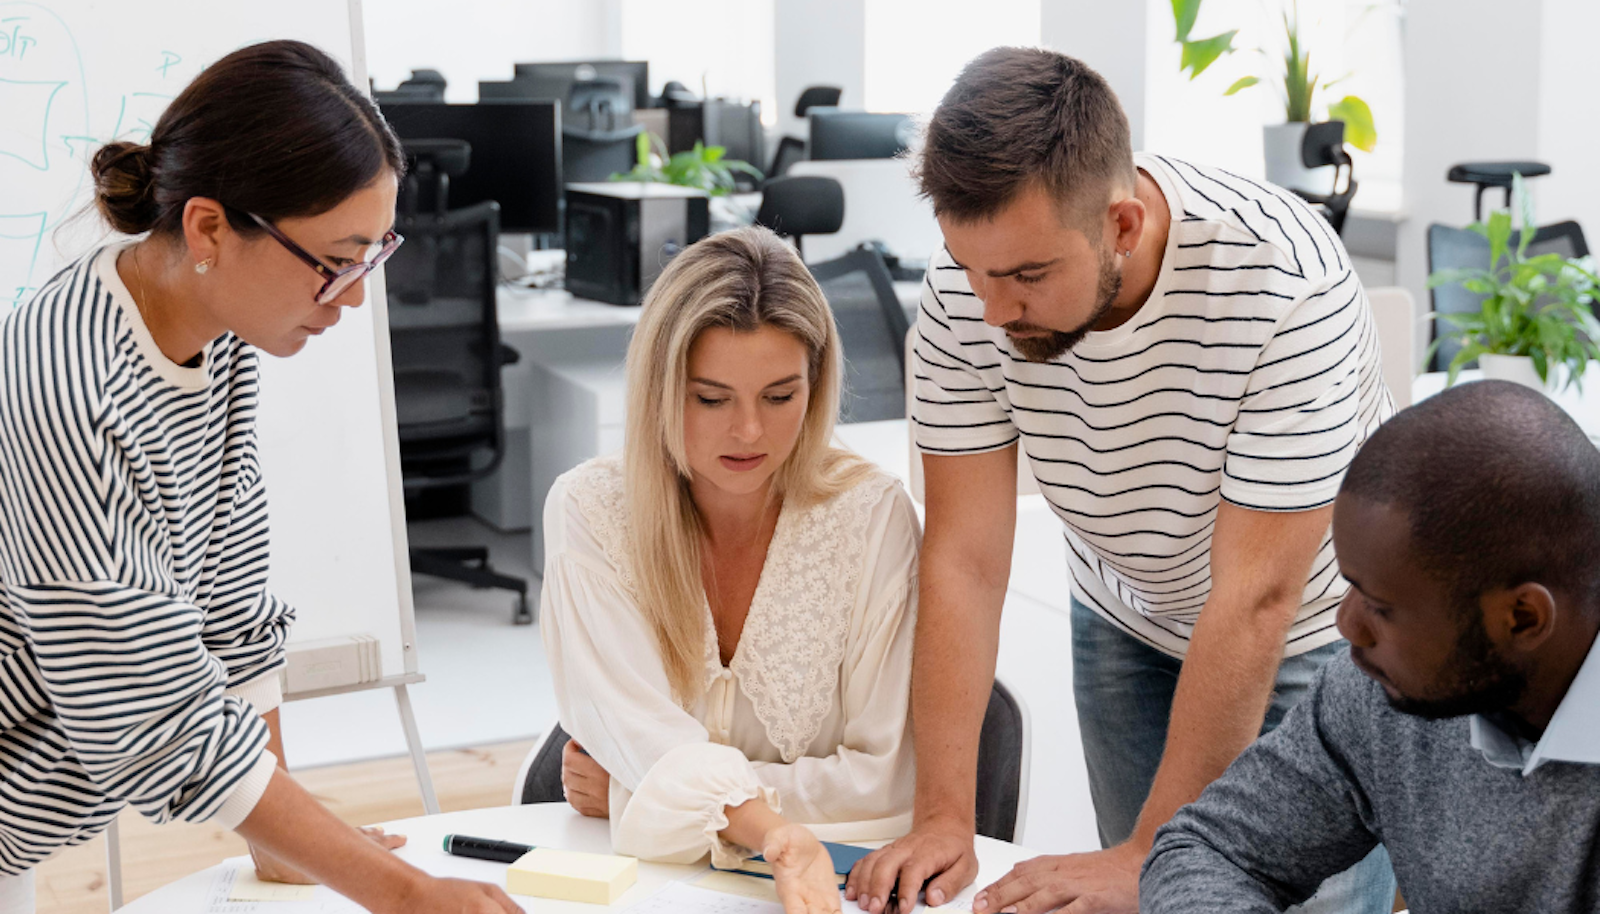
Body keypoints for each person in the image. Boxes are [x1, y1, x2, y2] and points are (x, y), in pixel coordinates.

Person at [846, 47, 1395, 914]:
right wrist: (943, 818)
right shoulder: (970, 287)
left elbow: (1254, 595)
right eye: (974, 270)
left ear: (1124, 226)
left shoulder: (1285, 283)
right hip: (1124, 610)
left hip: (1308, 636)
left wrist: (1151, 851)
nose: (993, 311)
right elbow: (964, 559)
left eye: (1027, 276)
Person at [0, 41, 519, 914]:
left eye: (372, 255)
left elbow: (234, 603)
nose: (351, 297)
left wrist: (276, 844)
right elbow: (156, 721)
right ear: (209, 228)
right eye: (334, 259)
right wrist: (402, 894)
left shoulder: (217, 336)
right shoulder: (71, 389)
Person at [539, 226, 920, 914]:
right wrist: (765, 819)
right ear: (658, 389)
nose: (749, 432)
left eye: (780, 396)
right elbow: (630, 726)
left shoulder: (872, 514)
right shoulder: (591, 511)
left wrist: (640, 788)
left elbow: (888, 783)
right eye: (711, 399)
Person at [1141, 379, 1600, 912]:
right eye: (1350, 586)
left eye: (1381, 607)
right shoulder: (1372, 695)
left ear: (1522, 618)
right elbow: (1209, 849)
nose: (1346, 625)